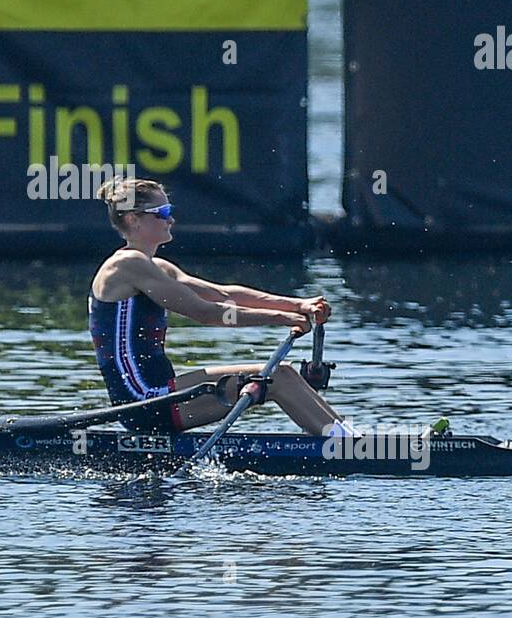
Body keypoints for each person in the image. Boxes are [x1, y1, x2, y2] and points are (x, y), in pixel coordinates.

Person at [88, 177, 352, 436]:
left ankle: (349, 438)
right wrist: (283, 318)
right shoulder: (126, 265)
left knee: (285, 374)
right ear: (134, 218)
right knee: (278, 378)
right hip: (144, 401)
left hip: (162, 392)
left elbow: (222, 294)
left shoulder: (156, 267)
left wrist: (299, 305)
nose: (171, 219)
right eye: (163, 212)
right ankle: (347, 448)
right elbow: (206, 313)